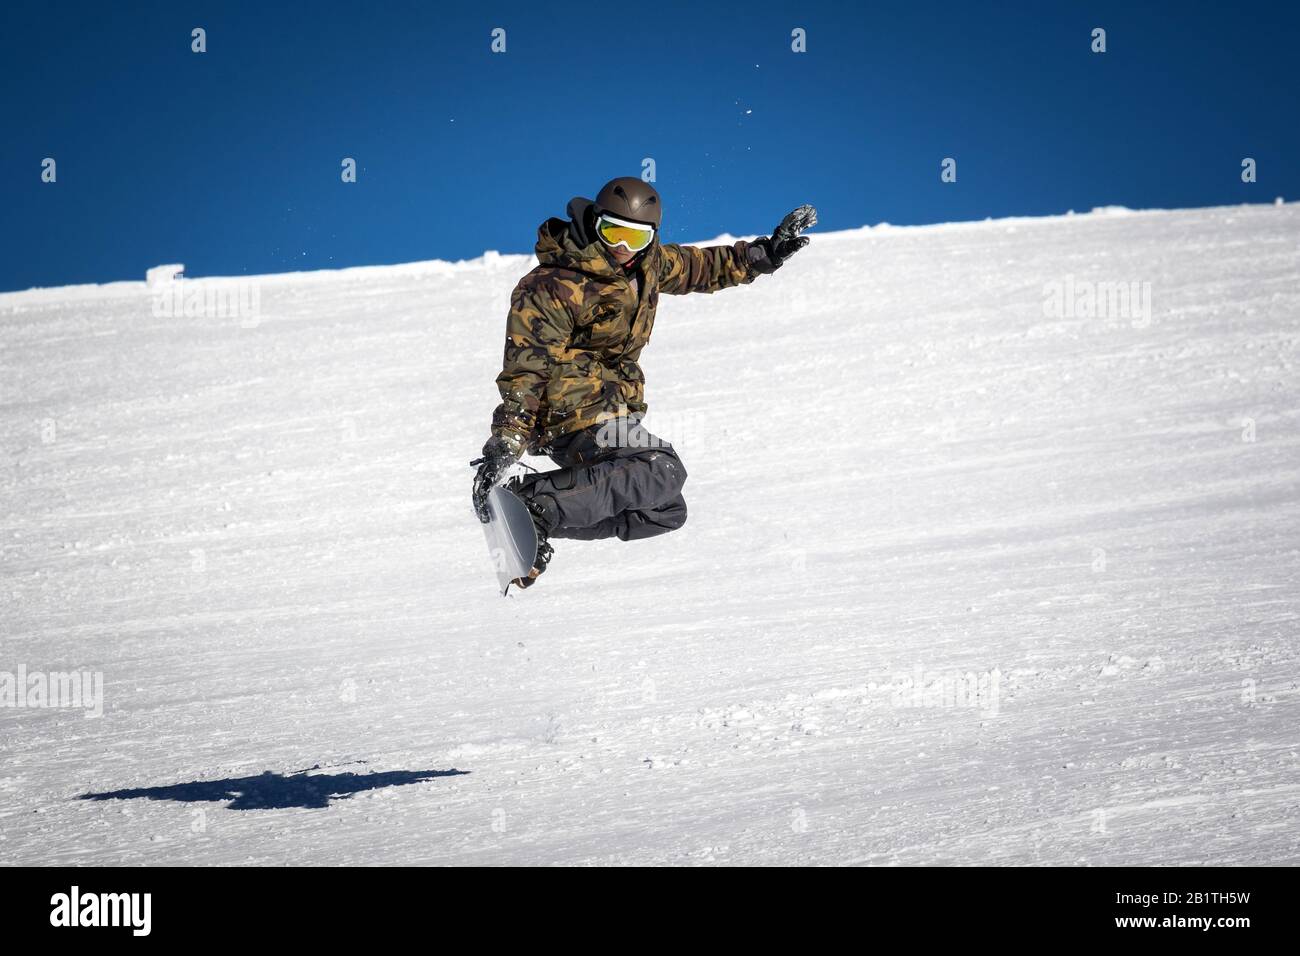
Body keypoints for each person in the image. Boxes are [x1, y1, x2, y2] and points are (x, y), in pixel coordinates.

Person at [473, 176, 815, 589]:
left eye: (634, 238)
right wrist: (507, 441)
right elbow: (525, 369)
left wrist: (767, 254)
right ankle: (535, 501)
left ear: (651, 238)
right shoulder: (553, 284)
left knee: (665, 510)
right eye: (612, 232)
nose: (621, 247)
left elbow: (703, 268)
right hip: (571, 412)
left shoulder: (648, 266)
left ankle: (538, 520)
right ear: (594, 224)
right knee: (661, 468)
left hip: (612, 410)